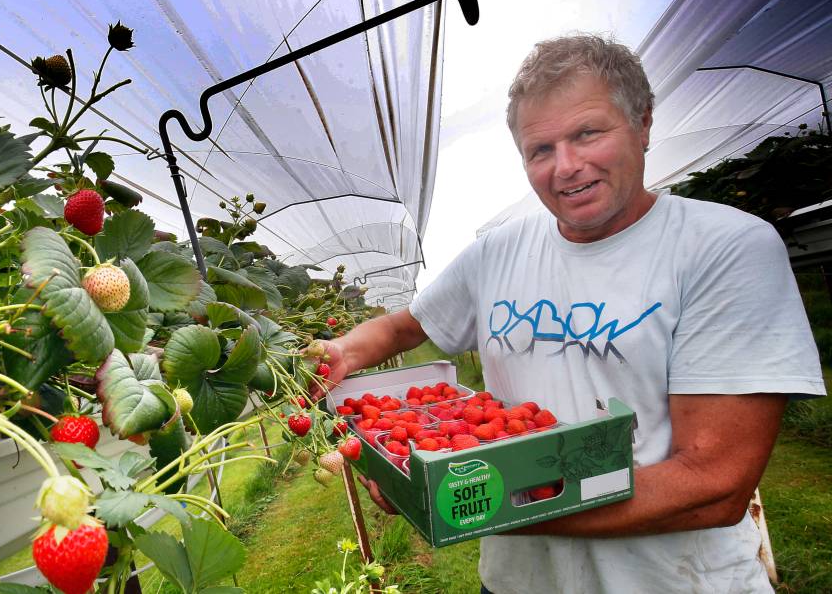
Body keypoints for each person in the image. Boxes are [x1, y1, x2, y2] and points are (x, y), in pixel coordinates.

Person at [315, 34, 826, 593]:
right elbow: (403, 327)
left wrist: (473, 504)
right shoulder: (497, 251)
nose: (566, 167)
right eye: (540, 150)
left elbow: (714, 486)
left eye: (588, 133)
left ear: (643, 125)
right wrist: (338, 354)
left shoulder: (723, 247)